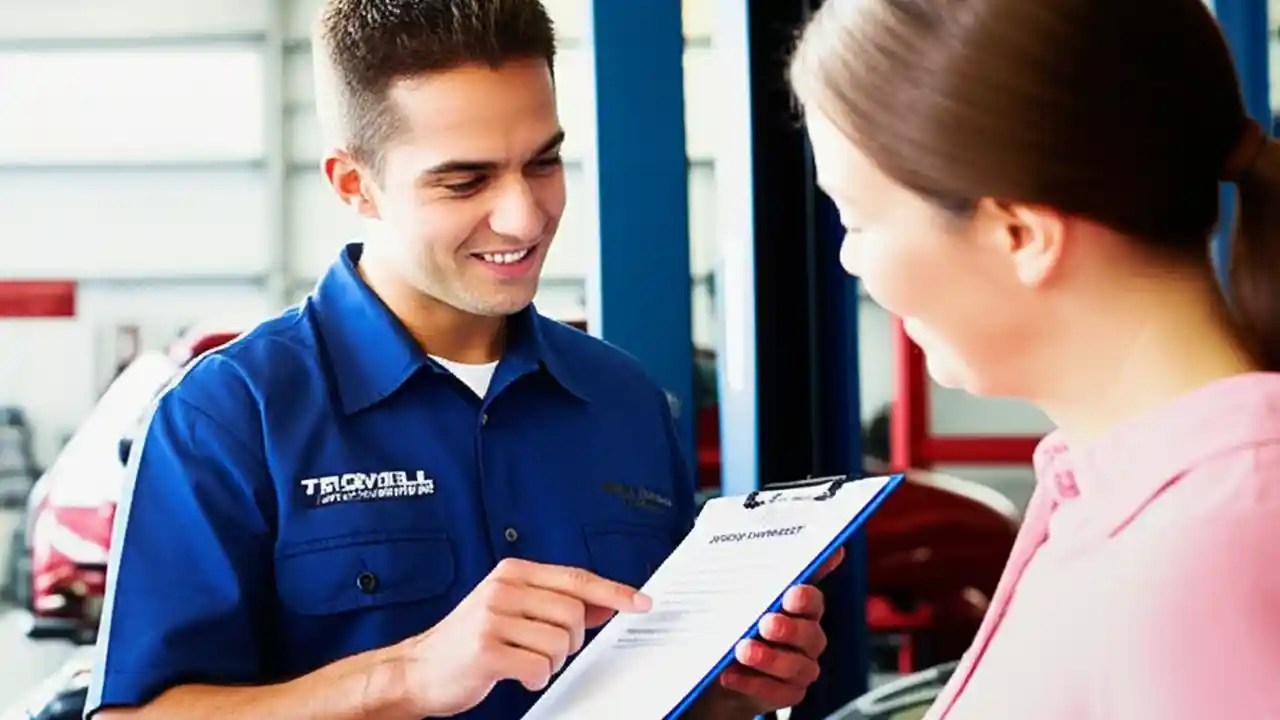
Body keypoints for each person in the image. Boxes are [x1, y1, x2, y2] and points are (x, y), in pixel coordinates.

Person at [84, 1, 836, 718]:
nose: (525, 216)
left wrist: (727, 694)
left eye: (543, 162)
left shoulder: (625, 402)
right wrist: (406, 678)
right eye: (465, 181)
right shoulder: (227, 418)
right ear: (355, 185)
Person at [788, 1, 1280, 719]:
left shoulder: (1215, 548)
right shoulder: (1126, 496)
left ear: (1019, 234)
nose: (850, 259)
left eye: (858, 220)